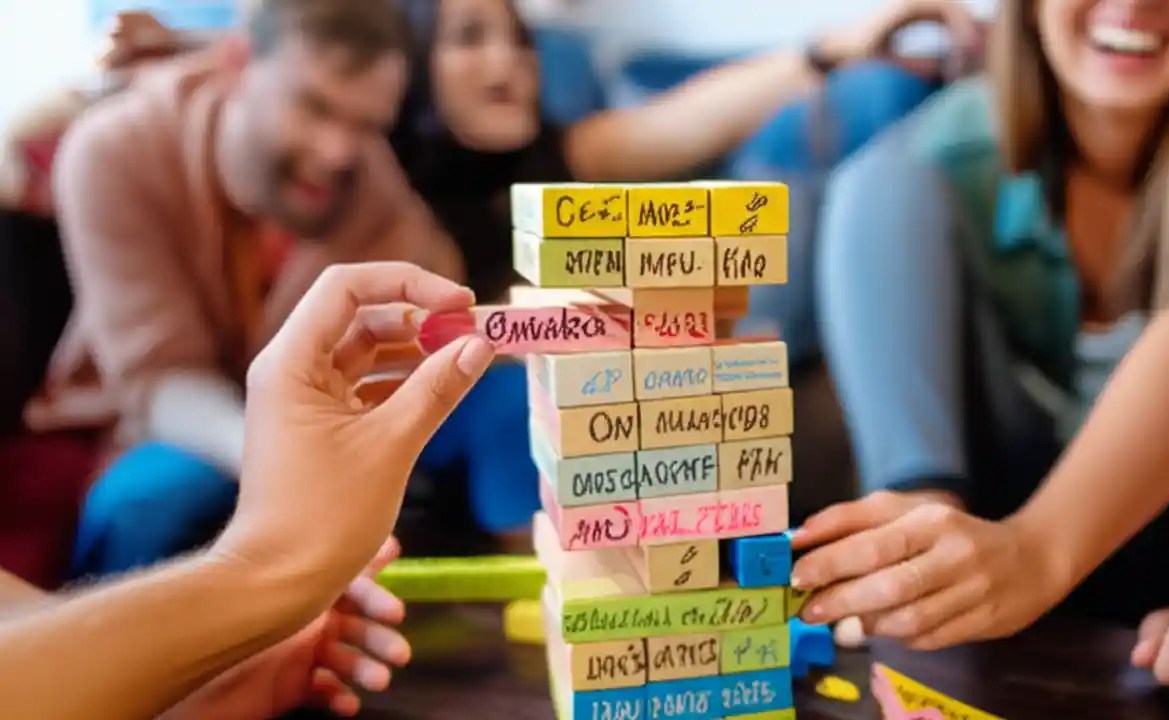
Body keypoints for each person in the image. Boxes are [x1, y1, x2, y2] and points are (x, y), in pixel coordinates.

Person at [789, 0, 1169, 716]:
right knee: (880, 189)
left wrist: (1036, 553)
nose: (1132, 4)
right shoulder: (912, 172)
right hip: (1007, 598)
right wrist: (929, 555)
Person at [386, 0, 981, 546]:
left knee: (824, 165)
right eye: (469, 38)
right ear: (407, 65)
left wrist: (839, 46)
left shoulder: (564, 153)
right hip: (622, 398)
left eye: (519, 40)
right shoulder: (382, 198)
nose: (508, 60)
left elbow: (689, 120)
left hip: (706, 343)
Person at [51, 0, 462, 579]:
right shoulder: (113, 150)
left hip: (321, 420)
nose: (338, 150)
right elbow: (162, 381)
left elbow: (438, 291)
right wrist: (286, 462)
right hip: (173, 423)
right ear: (239, 62)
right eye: (314, 107)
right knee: (145, 503)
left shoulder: (370, 180)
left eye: (366, 124)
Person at [0, 261, 496, 719]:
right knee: (153, 495)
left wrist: (172, 673)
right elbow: (157, 379)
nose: (338, 158)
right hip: (165, 433)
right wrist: (264, 569)